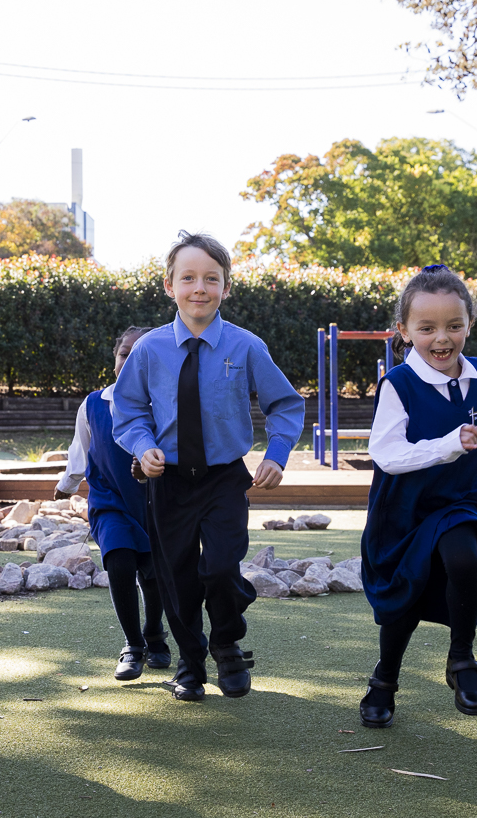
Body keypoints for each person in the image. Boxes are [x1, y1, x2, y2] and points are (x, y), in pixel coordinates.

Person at [111, 232, 305, 702]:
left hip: (223, 477)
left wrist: (276, 455)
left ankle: (226, 643)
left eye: (211, 279)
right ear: (169, 285)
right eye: (189, 278)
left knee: (219, 567)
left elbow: (285, 404)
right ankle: (191, 663)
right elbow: (129, 410)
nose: (200, 287)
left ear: (227, 287)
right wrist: (144, 446)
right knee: (175, 576)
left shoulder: (246, 346)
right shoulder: (150, 350)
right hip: (169, 481)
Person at [357, 265, 477, 727]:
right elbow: (386, 454)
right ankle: (385, 680)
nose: (442, 338)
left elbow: (476, 428)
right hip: (404, 512)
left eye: (454, 326)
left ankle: (462, 661)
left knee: (463, 559)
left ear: (469, 324)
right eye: (427, 327)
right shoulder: (398, 384)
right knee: (405, 599)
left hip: (459, 503)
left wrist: (461, 448)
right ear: (404, 331)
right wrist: (447, 445)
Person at [55, 326, 172, 681]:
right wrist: (67, 484)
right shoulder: (94, 404)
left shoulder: (165, 406)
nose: (130, 360)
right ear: (115, 358)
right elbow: (82, 449)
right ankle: (133, 645)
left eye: (140, 354)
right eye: (124, 353)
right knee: (120, 563)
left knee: (153, 577)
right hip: (110, 501)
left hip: (155, 504)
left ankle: (154, 632)